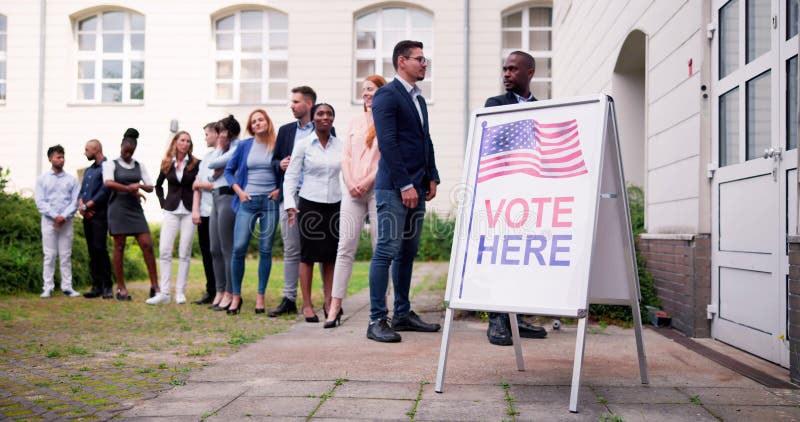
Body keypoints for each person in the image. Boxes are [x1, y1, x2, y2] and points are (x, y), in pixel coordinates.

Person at [366, 40, 440, 343]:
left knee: (408, 253)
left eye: (425, 59)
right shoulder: (387, 95)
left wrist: (432, 175)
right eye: (419, 59)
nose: (424, 64)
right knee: (386, 251)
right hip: (394, 189)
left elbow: (425, 139)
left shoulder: (419, 99)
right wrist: (406, 184)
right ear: (401, 62)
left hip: (418, 187)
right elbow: (388, 143)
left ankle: (403, 313)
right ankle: (375, 320)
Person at [483, 51, 548, 345]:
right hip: (501, 195)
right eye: (504, 69)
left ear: (530, 72)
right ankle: (497, 320)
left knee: (524, 259)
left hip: (531, 196)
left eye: (512, 69)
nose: (506, 74)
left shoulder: (545, 109)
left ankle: (517, 318)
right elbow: (491, 149)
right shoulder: (495, 105)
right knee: (500, 257)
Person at [324, 75, 387, 328]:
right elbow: (346, 158)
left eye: (370, 90)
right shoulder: (354, 121)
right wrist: (351, 182)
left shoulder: (387, 122)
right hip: (352, 191)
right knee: (345, 248)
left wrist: (367, 181)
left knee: (379, 249)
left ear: (382, 92)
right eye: (363, 90)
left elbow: (384, 160)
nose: (366, 94)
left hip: (376, 189)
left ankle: (380, 307)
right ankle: (334, 306)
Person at [283, 103, 342, 323]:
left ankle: (329, 303)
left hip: (335, 204)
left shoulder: (341, 146)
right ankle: (307, 305)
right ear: (314, 118)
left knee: (330, 257)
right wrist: (290, 203)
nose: (325, 117)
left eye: (329, 113)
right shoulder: (303, 144)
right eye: (320, 113)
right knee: (307, 256)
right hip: (309, 204)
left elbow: (346, 174)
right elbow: (291, 176)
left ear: (333, 118)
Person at [224, 109, 281, 315]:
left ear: (267, 122)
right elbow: (229, 172)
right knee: (239, 248)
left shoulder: (277, 144)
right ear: (251, 127)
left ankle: (260, 296)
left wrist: (279, 191)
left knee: (265, 249)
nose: (258, 123)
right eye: (254, 121)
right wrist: (239, 192)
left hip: (269, 203)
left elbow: (288, 172)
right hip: (247, 201)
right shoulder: (244, 146)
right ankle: (236, 296)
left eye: (261, 119)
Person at [267, 86, 316, 318]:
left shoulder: (323, 127)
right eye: (292, 102)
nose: (292, 106)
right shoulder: (286, 131)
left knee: (317, 248)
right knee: (291, 249)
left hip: (316, 196)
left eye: (296, 102)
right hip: (291, 195)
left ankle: (327, 300)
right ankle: (289, 298)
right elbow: (274, 160)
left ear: (309, 104)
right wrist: (280, 165)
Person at [103, 128, 160, 301]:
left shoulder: (139, 165)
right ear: (121, 147)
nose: (127, 154)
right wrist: (128, 188)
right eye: (125, 150)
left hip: (134, 210)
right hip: (118, 208)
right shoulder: (110, 164)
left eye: (131, 151)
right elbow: (108, 183)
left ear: (134, 149)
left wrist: (140, 187)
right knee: (119, 246)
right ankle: (121, 288)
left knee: (147, 244)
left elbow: (150, 186)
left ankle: (155, 286)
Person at [148, 131, 200, 305]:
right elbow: (158, 185)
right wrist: (163, 203)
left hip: (188, 211)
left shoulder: (195, 163)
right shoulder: (166, 163)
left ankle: (180, 292)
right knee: (164, 251)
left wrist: (197, 209)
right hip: (170, 210)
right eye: (182, 140)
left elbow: (198, 186)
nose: (185, 143)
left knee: (184, 252)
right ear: (175, 142)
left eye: (188, 141)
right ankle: (164, 293)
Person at [35, 144, 81, 298]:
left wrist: (64, 216)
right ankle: (47, 287)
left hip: (66, 222)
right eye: (58, 157)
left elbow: (75, 201)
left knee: (66, 255)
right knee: (49, 255)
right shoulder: (42, 179)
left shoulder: (72, 180)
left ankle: (67, 287)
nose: (61, 160)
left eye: (63, 157)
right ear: (50, 159)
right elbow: (40, 202)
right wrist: (55, 216)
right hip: (49, 222)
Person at [206, 115, 241, 311]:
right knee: (215, 248)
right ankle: (219, 290)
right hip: (216, 195)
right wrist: (218, 166)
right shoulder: (225, 150)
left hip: (228, 196)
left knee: (228, 249)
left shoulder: (237, 147)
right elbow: (210, 174)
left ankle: (230, 292)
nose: (217, 135)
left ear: (227, 133)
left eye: (220, 131)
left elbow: (212, 165)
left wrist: (219, 149)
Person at [78, 140, 113, 299]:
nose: (85, 152)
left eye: (87, 149)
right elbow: (82, 191)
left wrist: (89, 206)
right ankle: (96, 285)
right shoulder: (88, 170)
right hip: (87, 215)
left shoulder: (107, 166)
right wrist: (81, 205)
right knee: (92, 250)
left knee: (100, 248)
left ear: (96, 149)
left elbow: (105, 190)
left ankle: (107, 285)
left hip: (99, 215)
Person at [190, 123, 218, 305]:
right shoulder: (205, 159)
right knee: (206, 253)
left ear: (217, 134)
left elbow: (219, 184)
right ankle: (211, 290)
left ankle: (223, 290)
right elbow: (196, 186)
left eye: (207, 134)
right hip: (204, 212)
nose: (205, 138)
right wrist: (195, 210)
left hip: (219, 211)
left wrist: (201, 185)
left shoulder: (223, 156)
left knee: (219, 253)